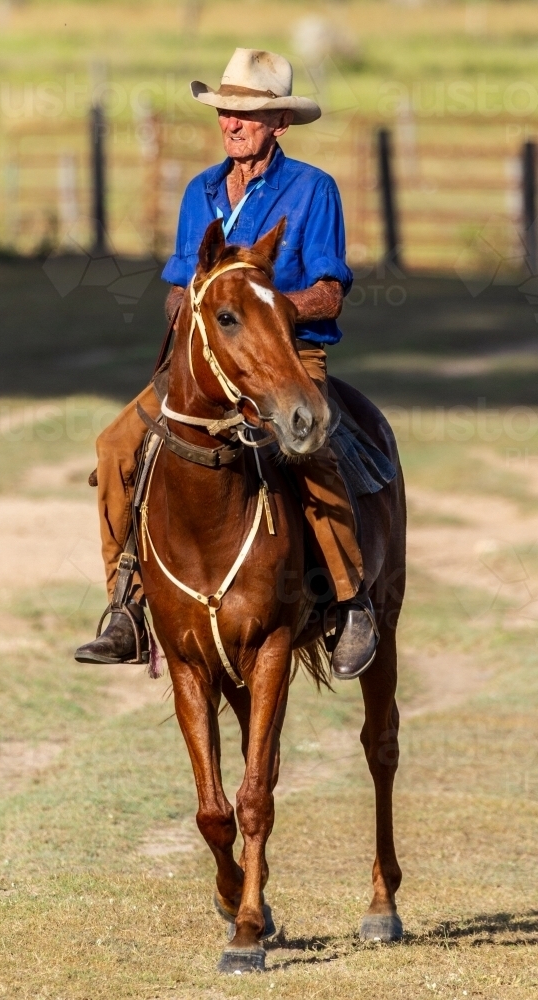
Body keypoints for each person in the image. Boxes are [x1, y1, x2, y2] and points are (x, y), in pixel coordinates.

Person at [75, 48, 377, 679]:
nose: (232, 123)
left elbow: (329, 291)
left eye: (247, 113)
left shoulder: (313, 190)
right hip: (210, 363)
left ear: (280, 124)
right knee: (115, 447)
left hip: (290, 358)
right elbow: (177, 286)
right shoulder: (201, 192)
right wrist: (197, 304)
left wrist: (260, 308)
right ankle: (126, 603)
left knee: (310, 448)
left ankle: (351, 603)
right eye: (225, 112)